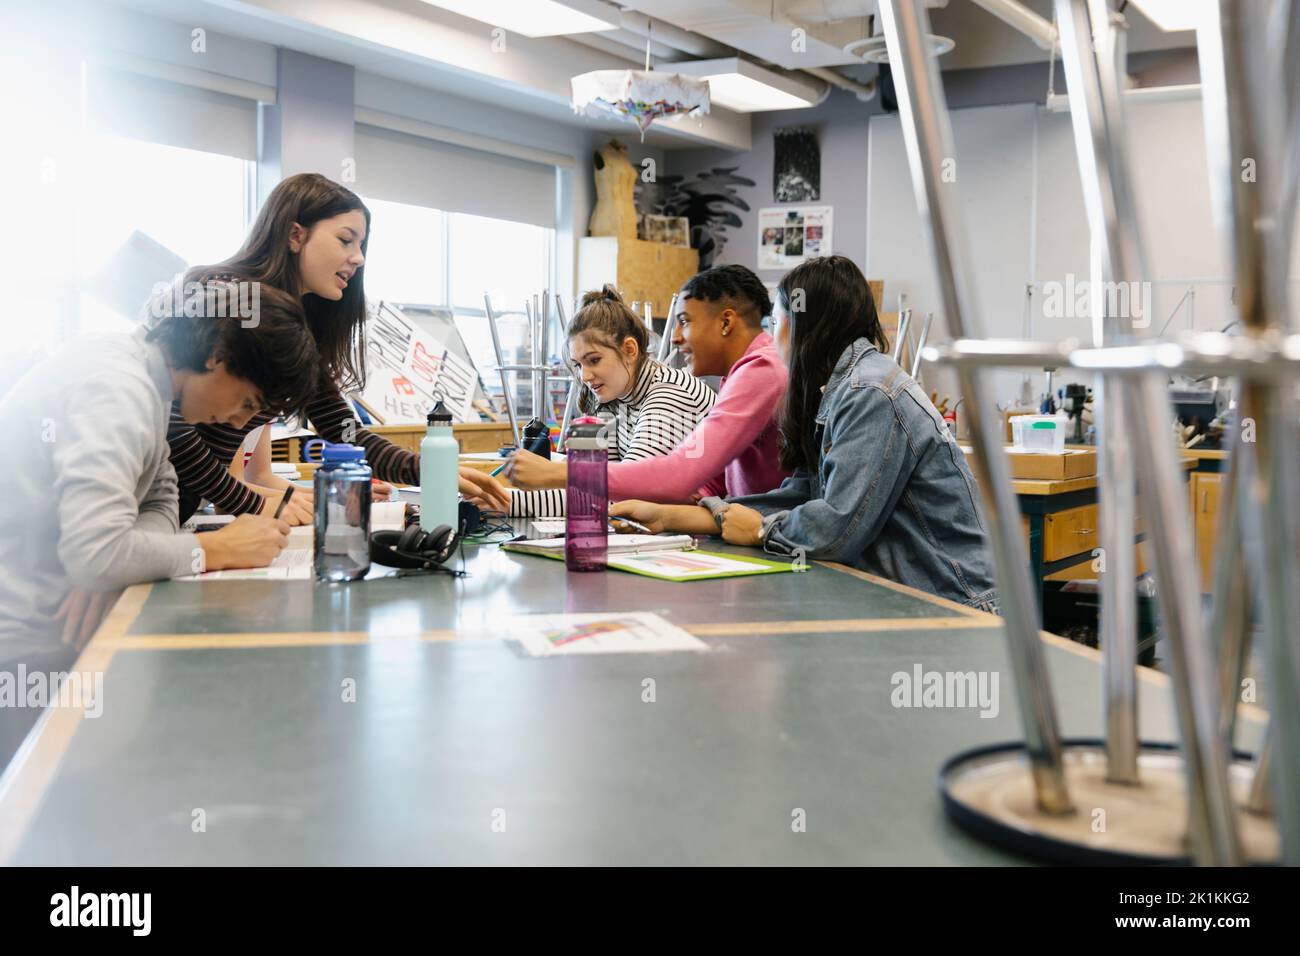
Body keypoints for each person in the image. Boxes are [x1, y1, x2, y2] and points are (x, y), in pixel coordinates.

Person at [0, 281, 320, 766]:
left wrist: (126, 561)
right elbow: (95, 555)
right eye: (249, 403)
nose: (238, 423)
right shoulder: (118, 390)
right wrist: (215, 550)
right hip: (26, 653)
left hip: (57, 628)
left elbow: (162, 493)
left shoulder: (147, 382)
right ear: (216, 354)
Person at [611, 255, 998, 611]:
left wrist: (761, 529)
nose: (769, 337)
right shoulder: (839, 390)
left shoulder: (871, 394)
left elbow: (836, 526)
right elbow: (801, 495)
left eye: (774, 324)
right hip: (909, 595)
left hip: (952, 601)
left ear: (804, 326)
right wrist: (666, 516)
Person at [160, 173, 509, 526]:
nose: (358, 259)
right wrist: (255, 503)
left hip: (172, 512)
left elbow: (341, 428)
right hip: (150, 503)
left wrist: (427, 469)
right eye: (346, 240)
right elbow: (172, 425)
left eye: (361, 246)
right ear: (295, 235)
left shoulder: (295, 328)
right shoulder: (222, 295)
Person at [507, 265, 789, 502]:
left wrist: (556, 474)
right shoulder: (611, 396)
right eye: (579, 365)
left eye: (684, 321)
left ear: (726, 322)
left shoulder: (759, 369)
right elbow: (711, 484)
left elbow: (673, 476)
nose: (676, 337)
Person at [502, 285, 716, 517]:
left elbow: (624, 495)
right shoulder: (613, 394)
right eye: (578, 365)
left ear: (630, 350)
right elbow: (588, 485)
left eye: (593, 360)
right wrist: (498, 498)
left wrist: (506, 501)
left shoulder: (671, 394)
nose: (584, 376)